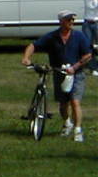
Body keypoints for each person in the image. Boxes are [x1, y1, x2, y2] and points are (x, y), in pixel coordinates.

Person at [21, 10, 92, 142]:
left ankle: (77, 130)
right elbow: (33, 45)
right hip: (60, 73)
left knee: (75, 101)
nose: (71, 22)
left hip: (76, 73)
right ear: (61, 21)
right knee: (63, 103)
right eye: (68, 20)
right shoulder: (52, 37)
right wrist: (26, 57)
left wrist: (75, 67)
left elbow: (88, 55)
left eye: (72, 20)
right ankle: (67, 122)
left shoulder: (79, 36)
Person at [73, 0, 98, 75]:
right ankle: (93, 67)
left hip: (97, 23)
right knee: (88, 46)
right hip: (87, 23)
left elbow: (96, 4)